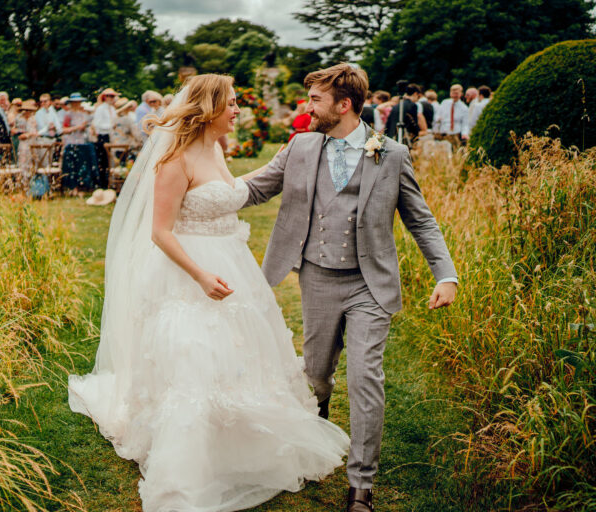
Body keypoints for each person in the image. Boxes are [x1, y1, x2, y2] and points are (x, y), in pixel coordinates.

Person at [69, 74, 350, 512]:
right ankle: (191, 454)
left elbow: (227, 193)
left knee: (240, 355)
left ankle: (242, 440)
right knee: (193, 357)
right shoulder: (174, 161)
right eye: (233, 104)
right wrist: (200, 276)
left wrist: (279, 162)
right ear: (210, 108)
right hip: (188, 270)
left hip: (231, 263)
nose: (239, 110)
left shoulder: (217, 150)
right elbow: (160, 232)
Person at [241, 63, 458, 512]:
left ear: (344, 105)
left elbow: (420, 219)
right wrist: (195, 187)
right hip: (317, 277)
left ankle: (361, 483)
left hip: (370, 284)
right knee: (316, 376)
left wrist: (446, 273)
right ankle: (316, 433)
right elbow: (255, 188)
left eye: (315, 99)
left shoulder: (392, 154)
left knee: (365, 378)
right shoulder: (300, 146)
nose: (307, 107)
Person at [60, 92, 98, 192]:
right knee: (72, 167)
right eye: (75, 102)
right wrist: (77, 127)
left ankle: (84, 186)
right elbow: (64, 129)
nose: (77, 104)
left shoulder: (84, 114)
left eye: (79, 102)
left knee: (83, 165)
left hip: (83, 142)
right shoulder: (68, 115)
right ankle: (72, 187)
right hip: (71, 142)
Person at [92, 88, 118, 188]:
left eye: (113, 96)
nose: (112, 98)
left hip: (111, 136)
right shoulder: (100, 108)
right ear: (105, 97)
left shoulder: (112, 109)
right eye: (110, 96)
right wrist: (110, 126)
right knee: (102, 162)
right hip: (102, 137)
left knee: (110, 161)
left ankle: (110, 183)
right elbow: (97, 124)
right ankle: (102, 184)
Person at [14, 99, 38, 174]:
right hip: (23, 142)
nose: (27, 112)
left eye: (29, 110)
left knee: (33, 160)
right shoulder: (19, 118)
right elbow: (14, 130)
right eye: (26, 110)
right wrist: (19, 132)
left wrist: (28, 134)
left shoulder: (33, 119)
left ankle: (32, 178)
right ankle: (23, 179)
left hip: (32, 142)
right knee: (23, 161)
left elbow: (35, 131)